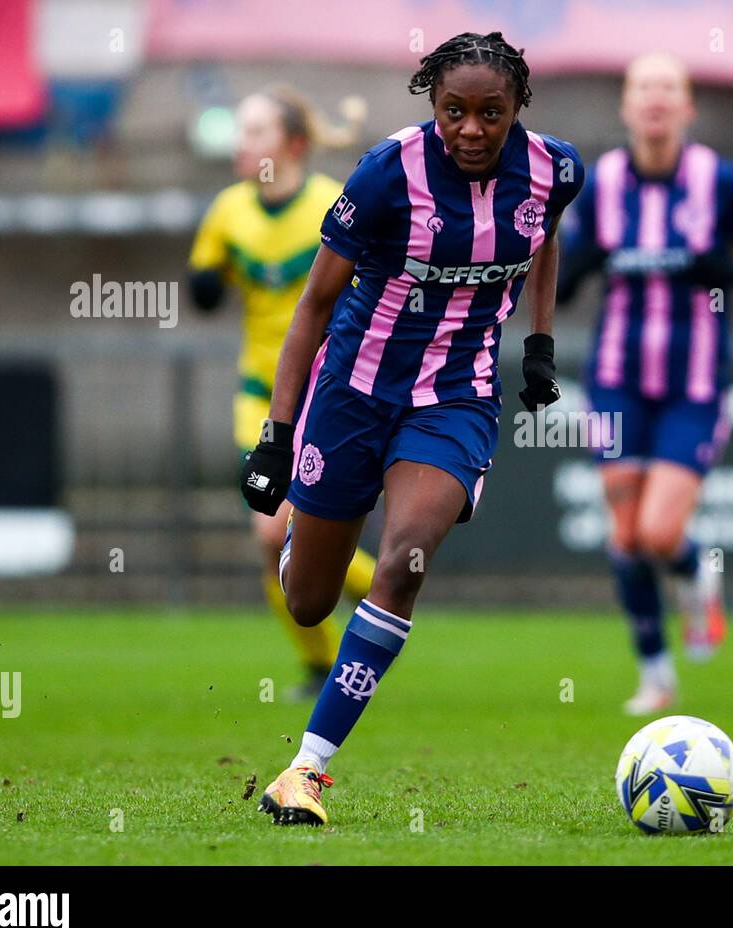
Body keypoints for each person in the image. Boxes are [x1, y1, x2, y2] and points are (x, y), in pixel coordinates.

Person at [239, 32, 584, 825]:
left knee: (403, 562)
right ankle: (306, 528)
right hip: (353, 393)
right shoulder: (386, 173)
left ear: (516, 110)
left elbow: (544, 236)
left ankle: (307, 771)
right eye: (454, 112)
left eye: (489, 114)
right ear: (433, 106)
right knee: (306, 603)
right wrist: (277, 434)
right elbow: (314, 306)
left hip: (455, 397)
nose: (470, 129)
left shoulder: (554, 169)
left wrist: (537, 344)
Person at [557, 51, 733, 715]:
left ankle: (694, 575)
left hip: (695, 383)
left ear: (687, 106)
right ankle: (656, 676)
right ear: (626, 107)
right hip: (614, 381)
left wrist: (722, 270)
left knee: (658, 534)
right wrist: (582, 258)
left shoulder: (716, 180)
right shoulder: (600, 183)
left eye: (668, 89)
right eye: (642, 89)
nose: (655, 100)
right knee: (623, 536)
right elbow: (565, 285)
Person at [188, 86, 378, 698]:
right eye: (240, 132)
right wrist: (203, 284)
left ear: (293, 145)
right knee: (273, 534)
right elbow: (206, 282)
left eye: (255, 132)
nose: (241, 146)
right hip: (261, 394)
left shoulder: (332, 204)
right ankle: (324, 665)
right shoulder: (228, 211)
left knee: (299, 532)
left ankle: (386, 591)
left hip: (326, 390)